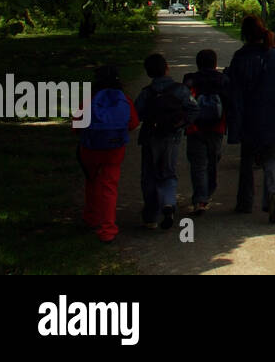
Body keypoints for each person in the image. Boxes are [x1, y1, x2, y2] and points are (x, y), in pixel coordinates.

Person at [226, 15, 275, 224]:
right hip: (273, 113)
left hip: (249, 115)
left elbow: (233, 90)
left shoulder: (240, 57)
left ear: (244, 34)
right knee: (270, 158)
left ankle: (245, 202)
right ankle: (273, 192)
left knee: (247, 159)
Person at [74, 65, 140, 243]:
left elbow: (76, 124)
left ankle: (91, 217)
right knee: (109, 187)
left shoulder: (91, 99)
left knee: (92, 181)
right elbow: (133, 123)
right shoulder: (123, 99)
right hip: (114, 150)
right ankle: (107, 229)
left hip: (90, 148)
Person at [133, 52, 198, 230]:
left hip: (150, 136)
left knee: (149, 175)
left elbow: (136, 114)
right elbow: (194, 109)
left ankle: (151, 216)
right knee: (168, 172)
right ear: (167, 68)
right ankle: (169, 203)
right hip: (172, 137)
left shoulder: (147, 93)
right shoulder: (180, 90)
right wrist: (181, 125)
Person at [184, 48, 227, 216]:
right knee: (213, 159)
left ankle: (200, 199)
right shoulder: (223, 79)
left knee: (198, 164)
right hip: (217, 127)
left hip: (195, 127)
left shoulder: (190, 80)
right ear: (215, 63)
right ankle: (209, 190)